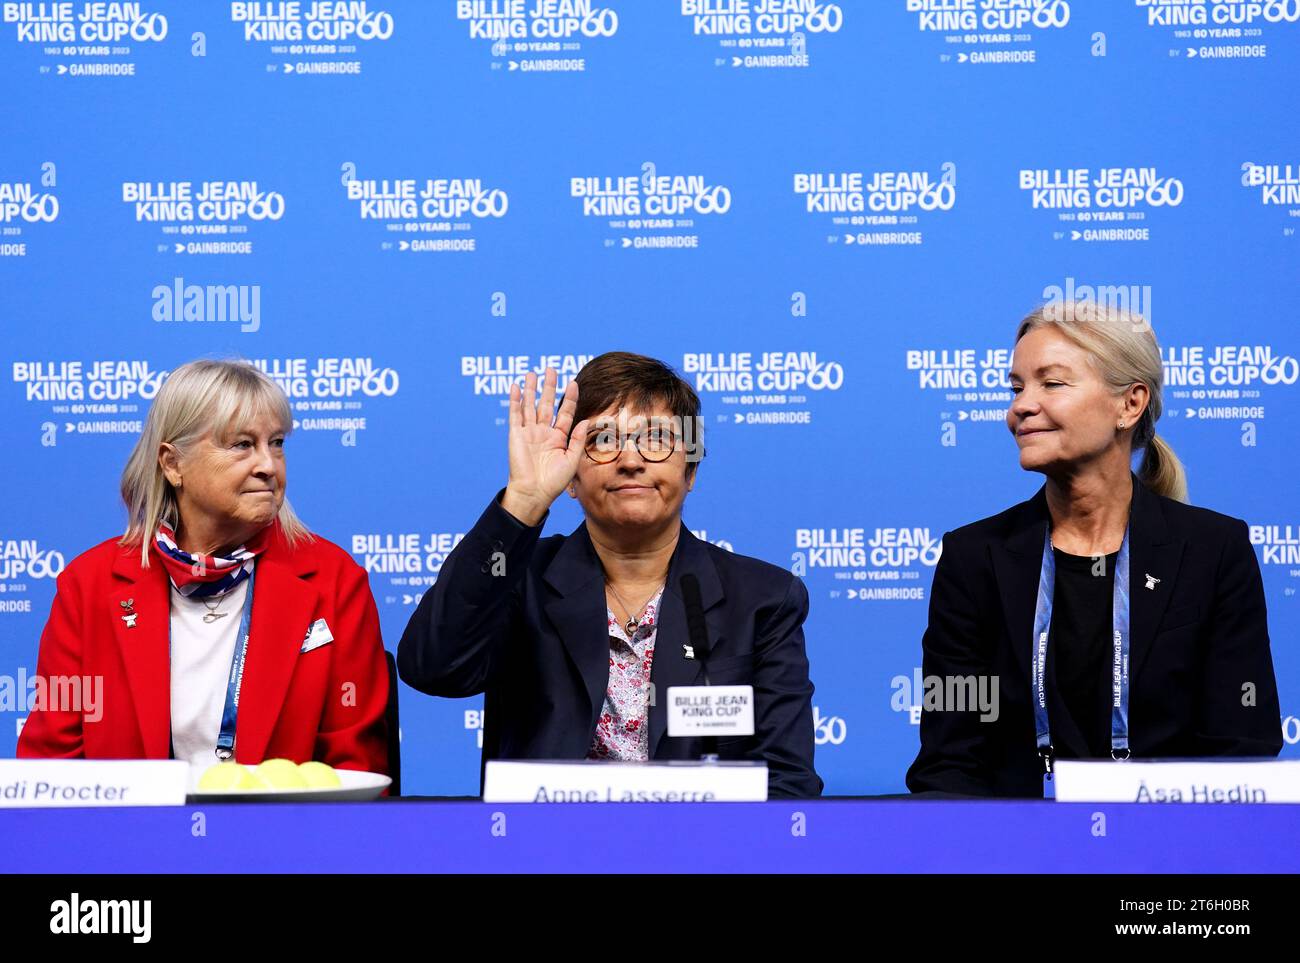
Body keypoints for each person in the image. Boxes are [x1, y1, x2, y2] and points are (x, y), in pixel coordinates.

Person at [399, 352, 822, 798]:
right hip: (545, 854)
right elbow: (433, 668)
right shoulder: (521, 580)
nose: (631, 461)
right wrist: (523, 502)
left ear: (691, 468)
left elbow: (786, 782)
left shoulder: (764, 600)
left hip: (700, 856)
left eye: (656, 439)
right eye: (603, 441)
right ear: (571, 477)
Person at [907, 301, 1281, 797]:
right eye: (1017, 387)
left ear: (1130, 404)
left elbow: (1241, 747)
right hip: (1017, 855)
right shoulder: (973, 558)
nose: (1021, 405)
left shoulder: (1214, 552)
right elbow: (950, 760)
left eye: (1051, 383)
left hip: (1170, 850)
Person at [18, 359, 389, 774]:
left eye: (277, 443)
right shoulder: (88, 586)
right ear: (173, 464)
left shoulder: (334, 580)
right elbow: (49, 769)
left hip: (282, 835)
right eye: (242, 445)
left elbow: (356, 768)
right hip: (131, 836)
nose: (268, 465)